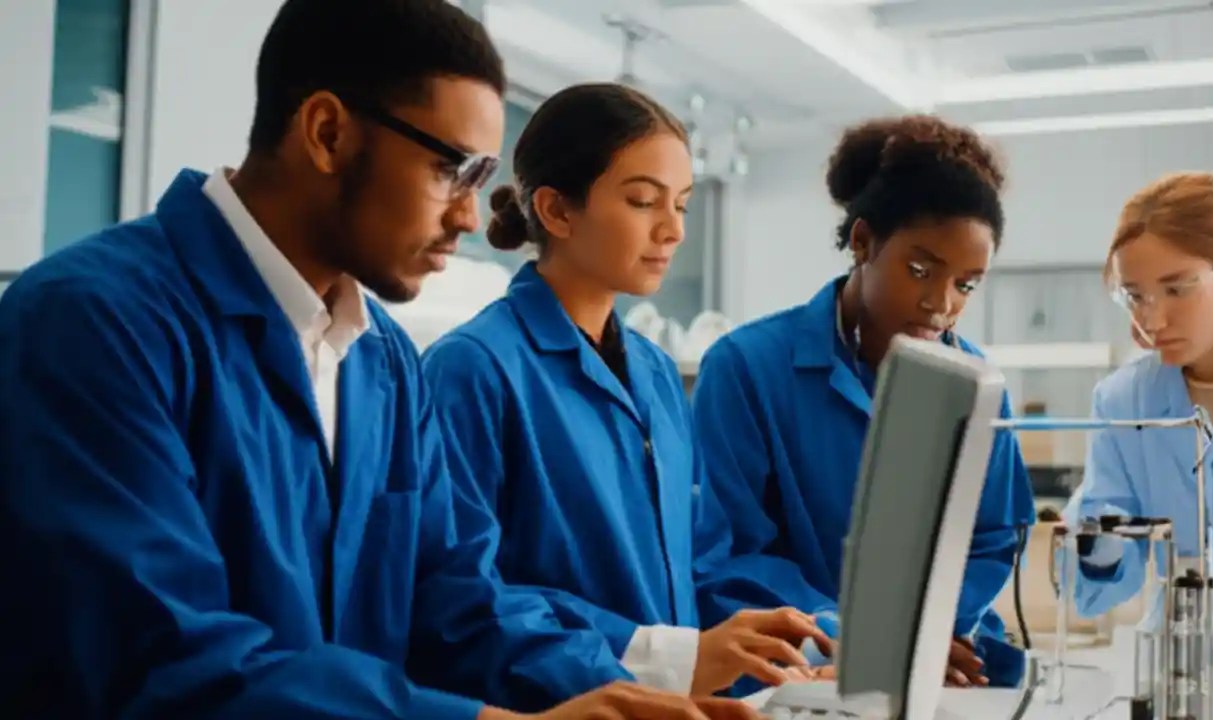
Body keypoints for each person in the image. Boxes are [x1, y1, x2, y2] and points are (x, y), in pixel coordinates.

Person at [0, 2, 761, 719]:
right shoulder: (93, 320)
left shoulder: (383, 361)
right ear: (328, 132)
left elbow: (456, 600)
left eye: (480, 180)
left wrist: (622, 695)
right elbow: (162, 654)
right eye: (450, 170)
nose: (470, 215)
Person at [421, 82, 833, 700]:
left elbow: (683, 573)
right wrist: (670, 658)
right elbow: (465, 604)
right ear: (559, 211)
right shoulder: (472, 370)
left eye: (684, 206)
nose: (673, 232)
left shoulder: (657, 374)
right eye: (644, 201)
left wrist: (797, 644)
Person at [690, 116, 1037, 689]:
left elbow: (994, 537)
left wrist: (929, 637)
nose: (941, 304)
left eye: (966, 284)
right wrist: (850, 636)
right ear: (862, 241)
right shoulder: (745, 368)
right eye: (921, 269)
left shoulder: (975, 381)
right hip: (797, 669)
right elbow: (730, 551)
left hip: (942, 667)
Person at [1066, 171, 1213, 681]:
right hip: (1177, 677)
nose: (1153, 319)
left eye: (1176, 289)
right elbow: (1100, 584)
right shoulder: (1123, 399)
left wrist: (1203, 552)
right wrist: (1097, 544)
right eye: (1135, 296)